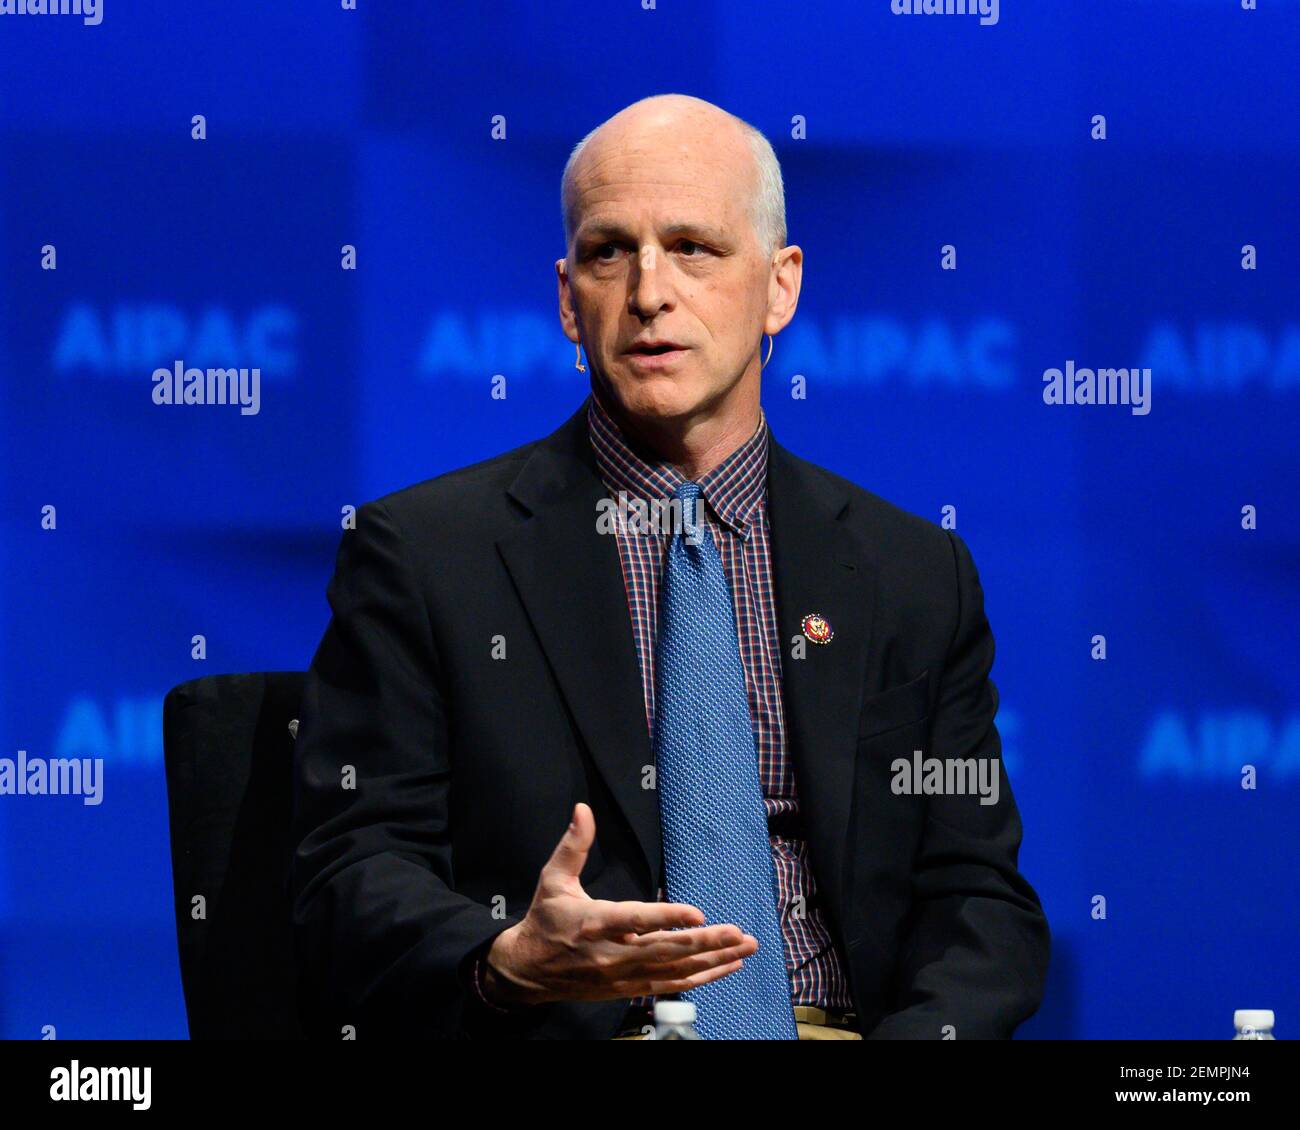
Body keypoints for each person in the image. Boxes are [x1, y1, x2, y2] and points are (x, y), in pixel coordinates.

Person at [288, 93, 1050, 1040]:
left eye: (694, 247)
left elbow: (980, 901)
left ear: (780, 286)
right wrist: (506, 962)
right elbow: (349, 871)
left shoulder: (910, 573)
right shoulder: (428, 555)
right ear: (569, 301)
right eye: (611, 252)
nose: (650, 291)